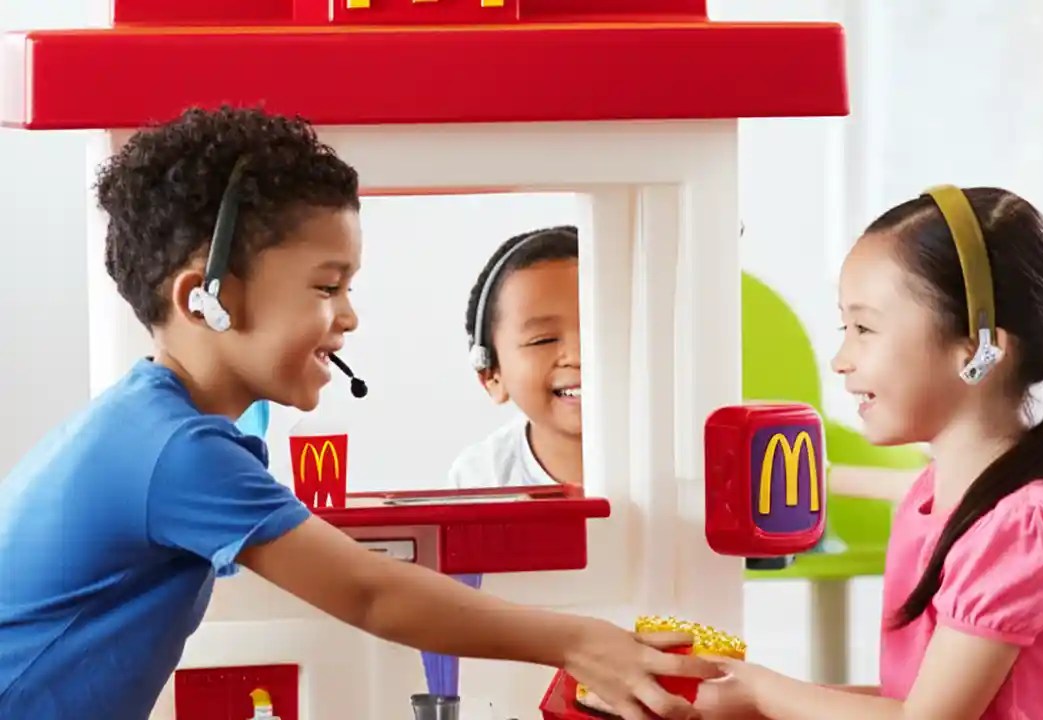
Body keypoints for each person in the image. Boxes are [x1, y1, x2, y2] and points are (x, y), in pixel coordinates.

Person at [0, 107, 715, 720]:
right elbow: (371, 592)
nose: (347, 317)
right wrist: (576, 640)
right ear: (205, 299)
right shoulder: (175, 452)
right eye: (326, 286)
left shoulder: (157, 425)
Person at [694, 186, 1043, 719]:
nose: (840, 359)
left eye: (864, 329)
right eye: (843, 328)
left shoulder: (1022, 524)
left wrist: (759, 691)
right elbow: (913, 703)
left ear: (978, 348)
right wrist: (746, 696)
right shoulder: (953, 494)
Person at [449, 226, 583, 489]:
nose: (579, 356)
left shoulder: (683, 454)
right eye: (543, 340)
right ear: (491, 375)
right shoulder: (481, 478)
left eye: (602, 331)